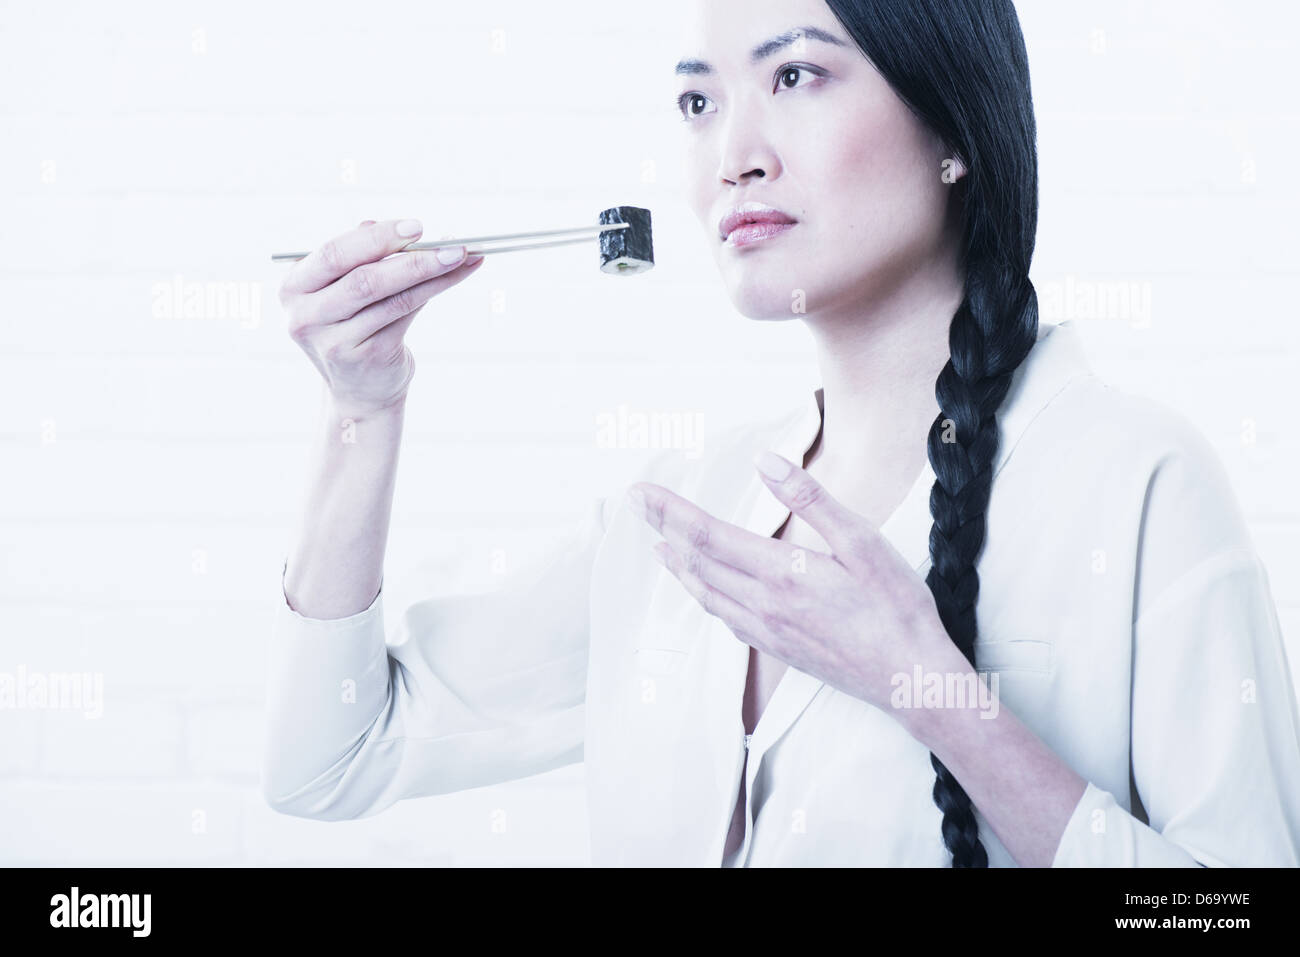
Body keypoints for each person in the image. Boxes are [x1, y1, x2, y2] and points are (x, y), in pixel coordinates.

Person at [261, 0, 1300, 866]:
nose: (732, 155)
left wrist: (929, 691)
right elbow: (330, 759)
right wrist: (363, 410)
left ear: (952, 129)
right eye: (697, 102)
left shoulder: (1136, 483)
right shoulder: (681, 520)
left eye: (796, 78)